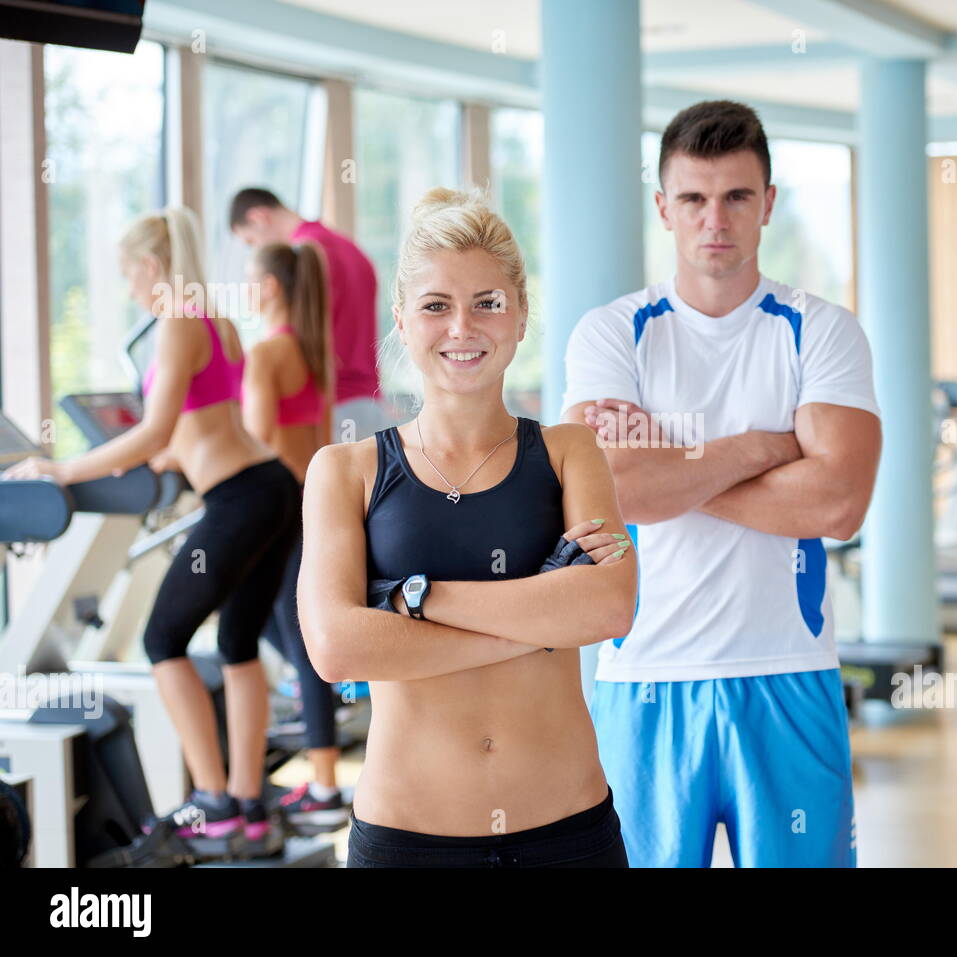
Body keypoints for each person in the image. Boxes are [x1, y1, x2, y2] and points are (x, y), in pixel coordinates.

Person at [561, 100, 883, 867]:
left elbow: (838, 502)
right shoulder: (612, 333)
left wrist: (670, 465)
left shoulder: (821, 329)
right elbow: (607, 490)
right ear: (663, 206)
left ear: (768, 203)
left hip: (790, 676)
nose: (716, 219)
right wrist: (765, 448)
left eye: (738, 196)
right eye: (695, 199)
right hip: (643, 682)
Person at [297, 187, 638, 868]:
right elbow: (336, 648)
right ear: (400, 318)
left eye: (487, 303)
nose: (462, 327)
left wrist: (412, 599)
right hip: (406, 840)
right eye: (435, 306)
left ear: (519, 316)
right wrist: (542, 614)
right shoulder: (345, 471)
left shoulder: (571, 450)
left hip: (565, 833)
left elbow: (607, 605)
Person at [3, 208, 302, 859]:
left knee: (163, 637)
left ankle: (214, 804)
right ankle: (247, 808)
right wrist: (161, 459)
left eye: (127, 275)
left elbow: (156, 430)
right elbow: (202, 424)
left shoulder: (174, 321)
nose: (129, 288)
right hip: (274, 486)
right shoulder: (216, 320)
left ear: (148, 266)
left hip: (240, 498)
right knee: (238, 642)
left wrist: (60, 467)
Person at [239, 240, 347, 829]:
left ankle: (325, 784)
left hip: (279, 514)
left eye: (250, 278)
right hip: (313, 506)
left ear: (271, 287)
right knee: (300, 641)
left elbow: (253, 444)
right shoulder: (312, 352)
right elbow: (322, 440)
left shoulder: (266, 354)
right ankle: (322, 769)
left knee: (298, 645)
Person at [229, 188, 388, 441]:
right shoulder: (352, 249)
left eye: (251, 242)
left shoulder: (309, 260)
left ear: (259, 217)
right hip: (372, 407)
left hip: (332, 411)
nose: (257, 252)